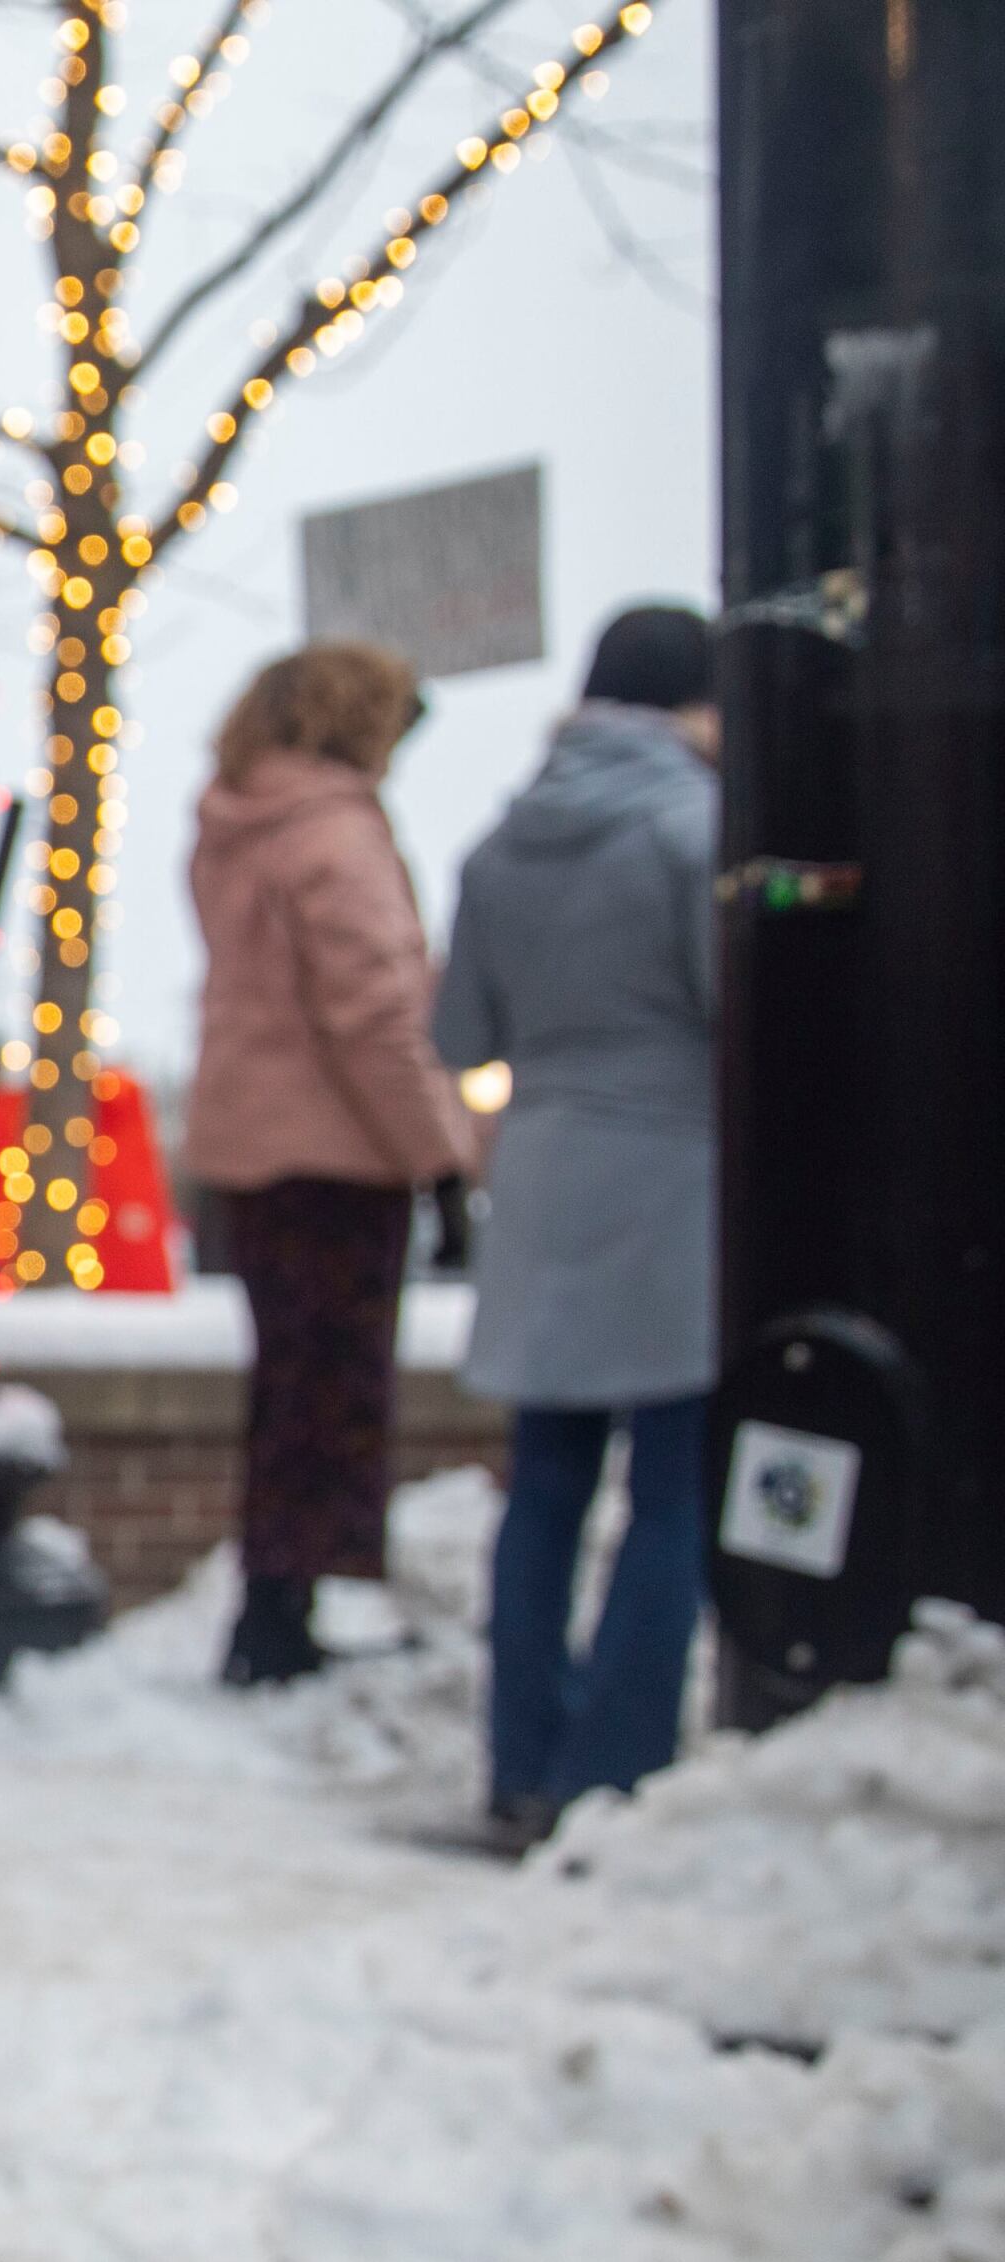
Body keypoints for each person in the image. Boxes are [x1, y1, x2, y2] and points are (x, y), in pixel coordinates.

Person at [432, 605, 721, 1844]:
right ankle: (615, 1765)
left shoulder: (499, 843)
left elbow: (460, 1040)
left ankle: (520, 1756)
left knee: (543, 1482)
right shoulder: (689, 828)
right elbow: (731, 1001)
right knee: (671, 1482)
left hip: (542, 1176)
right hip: (669, 1167)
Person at [183, 641, 475, 1687]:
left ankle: (275, 1604)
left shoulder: (232, 823)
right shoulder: (335, 838)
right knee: (336, 1382)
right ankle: (285, 1615)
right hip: (337, 1151)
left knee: (286, 1381)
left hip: (248, 1147)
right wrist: (439, 1156)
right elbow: (376, 1020)